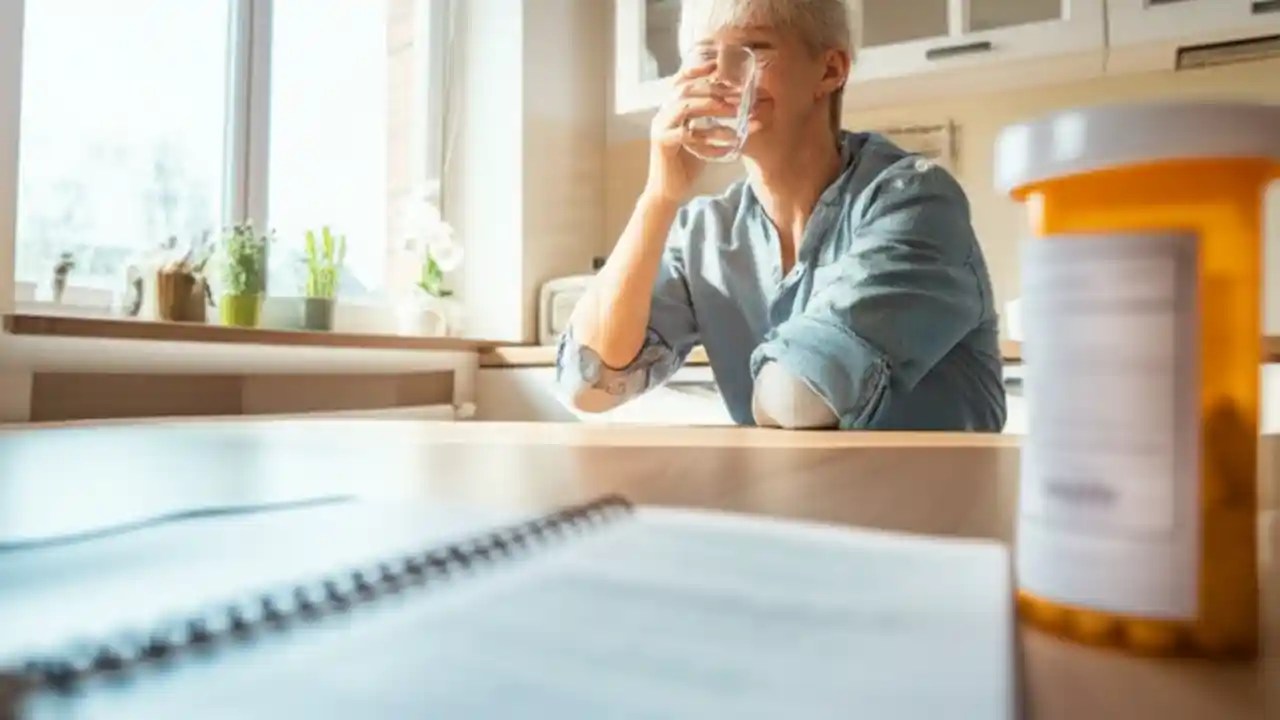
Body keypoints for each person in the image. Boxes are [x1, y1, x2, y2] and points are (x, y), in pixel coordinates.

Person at [556, 0, 1007, 431]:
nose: (722, 78)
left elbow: (797, 396)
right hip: (791, 502)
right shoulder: (706, 231)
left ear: (830, 69)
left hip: (932, 505)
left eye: (751, 51)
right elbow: (588, 387)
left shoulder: (915, 201)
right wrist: (658, 196)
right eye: (706, 55)